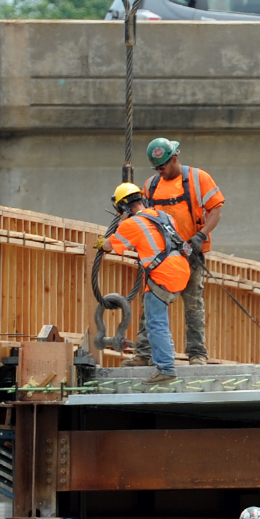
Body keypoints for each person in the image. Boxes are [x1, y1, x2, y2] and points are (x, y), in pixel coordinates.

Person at [136, 137, 225, 365]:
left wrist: (200, 235)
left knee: (193, 304)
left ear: (174, 159)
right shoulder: (151, 185)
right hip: (161, 259)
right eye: (156, 168)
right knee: (151, 304)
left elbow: (216, 210)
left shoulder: (198, 178)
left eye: (162, 166)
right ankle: (144, 353)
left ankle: (197, 354)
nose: (160, 171)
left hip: (190, 254)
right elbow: (145, 218)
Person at [98, 183, 189, 386]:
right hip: (180, 269)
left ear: (122, 208)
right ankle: (151, 358)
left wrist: (101, 241)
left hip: (162, 273)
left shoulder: (130, 224)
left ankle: (166, 368)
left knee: (156, 323)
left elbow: (109, 245)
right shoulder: (165, 217)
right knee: (154, 317)